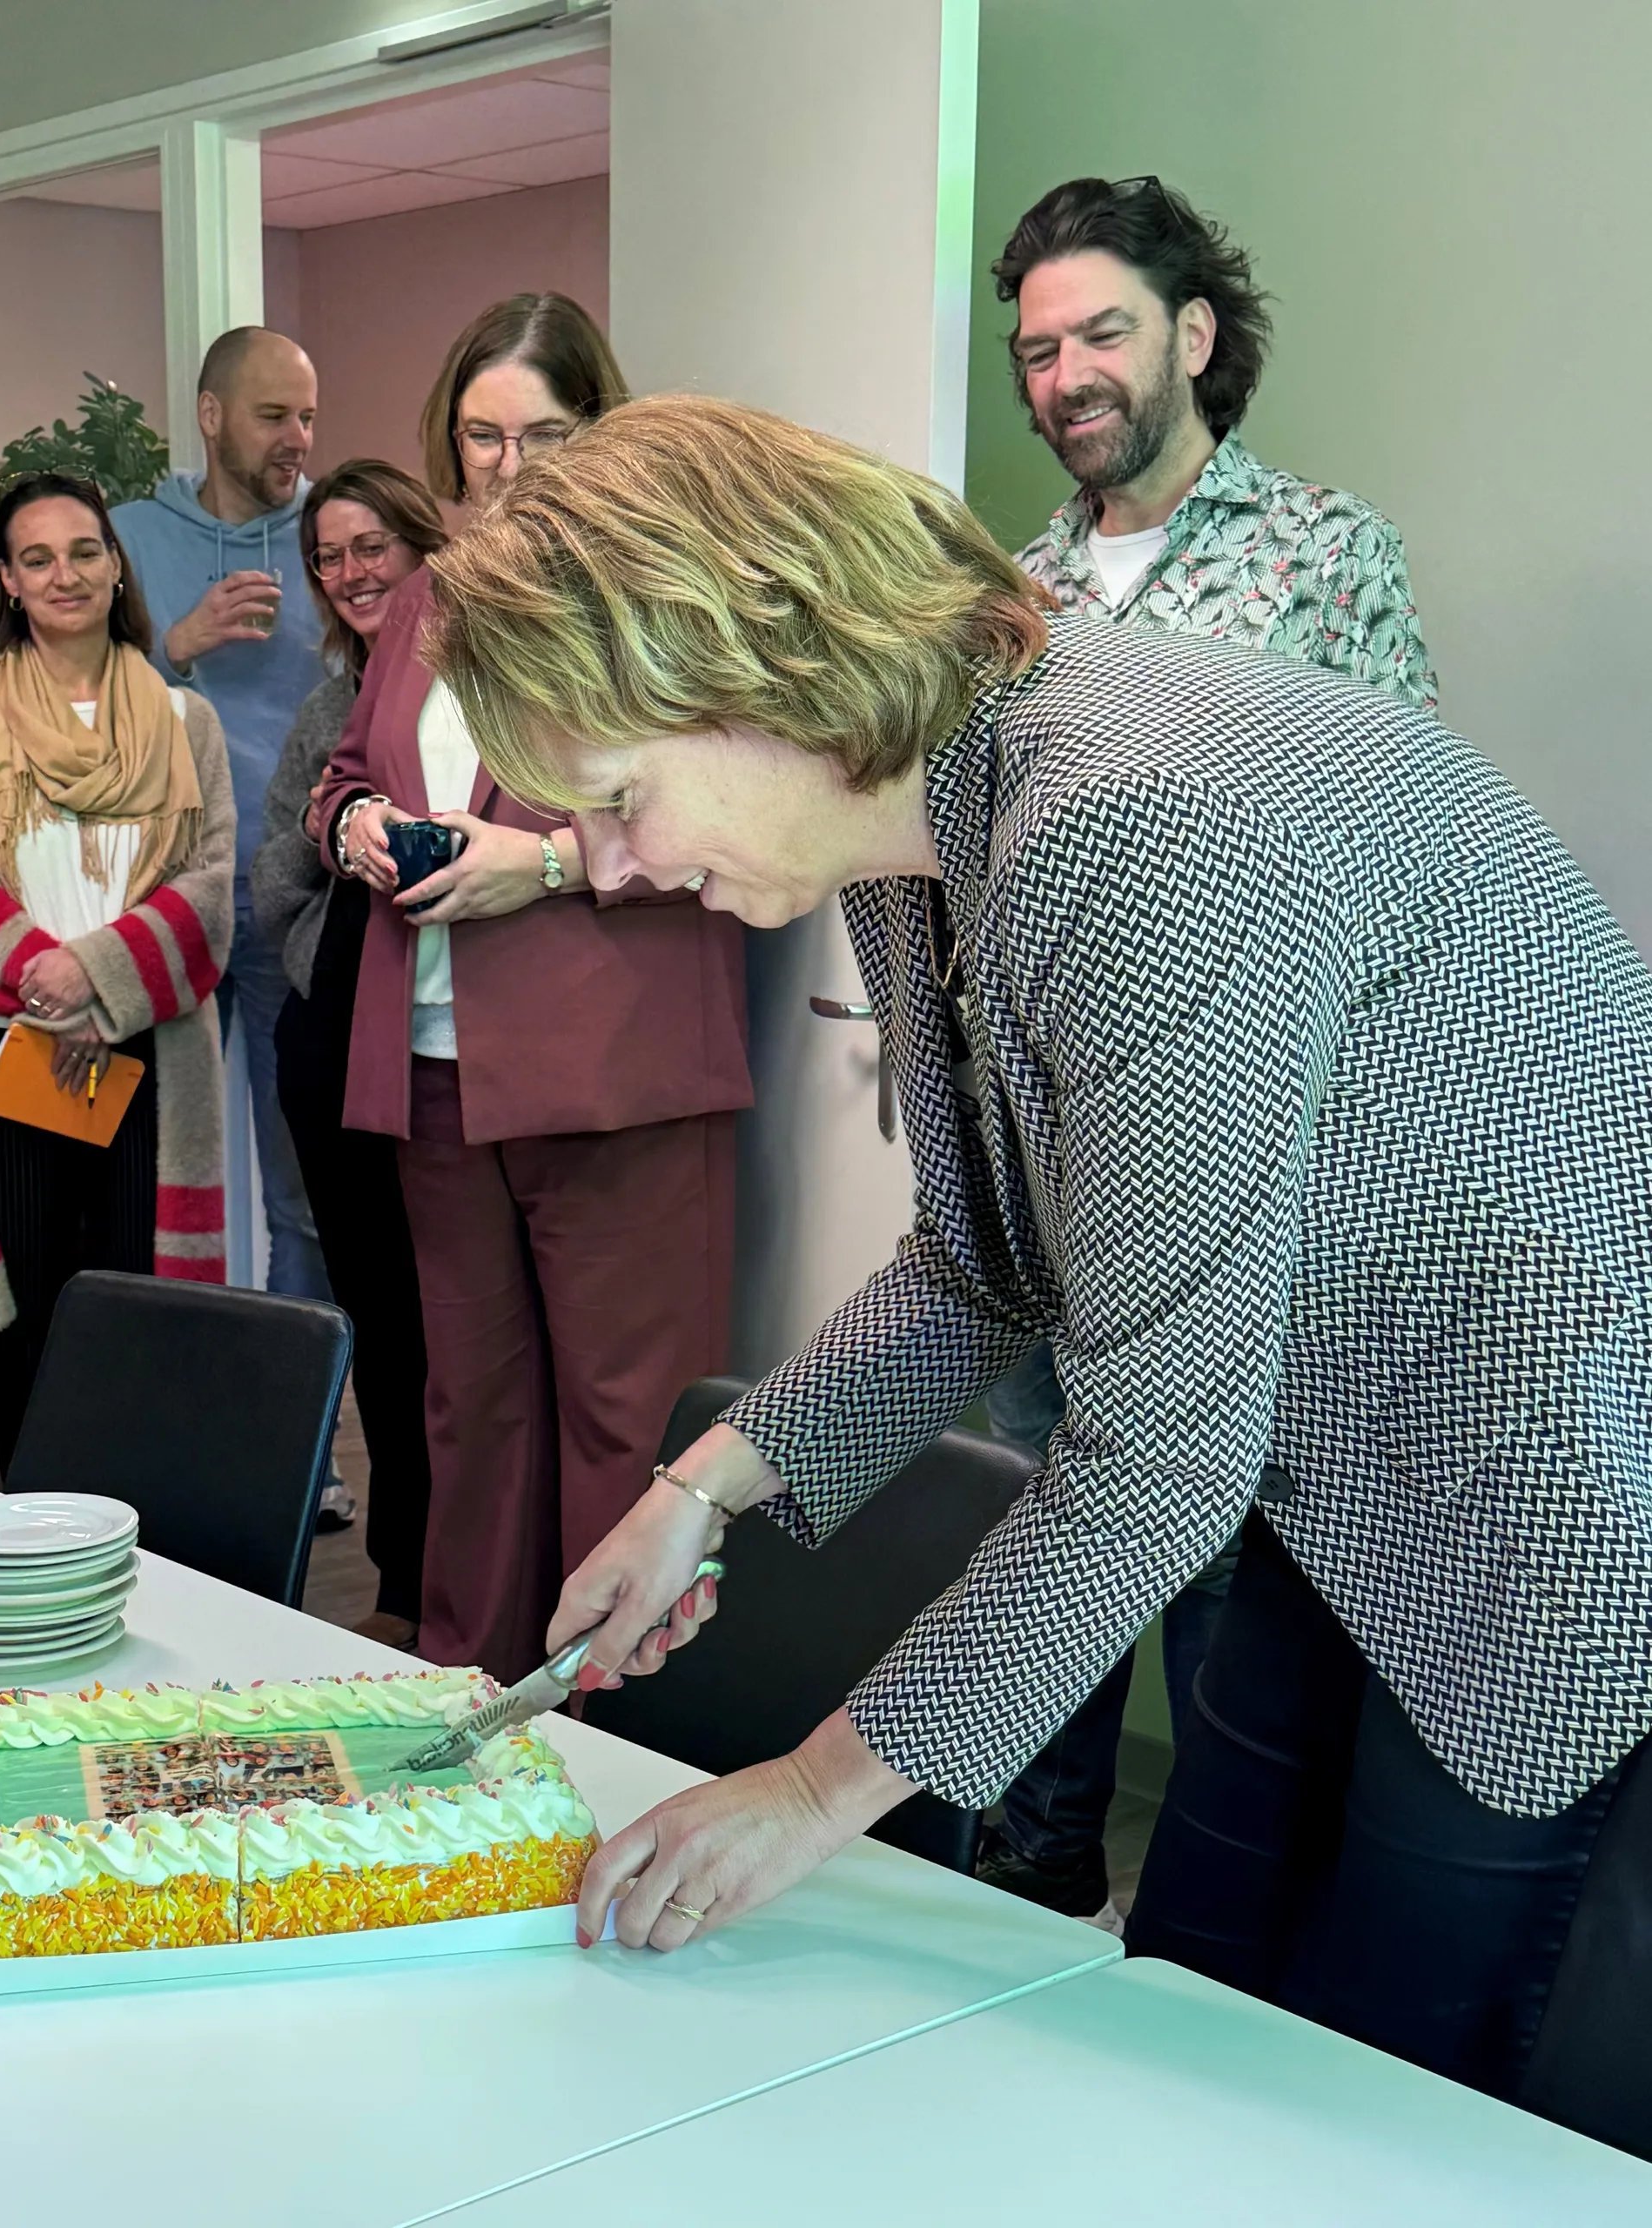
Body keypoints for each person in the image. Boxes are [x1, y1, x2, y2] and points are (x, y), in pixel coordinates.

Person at [424, 394, 1652, 2144]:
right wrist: (701, 1490)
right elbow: (988, 1258)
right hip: (1351, 1461)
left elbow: (1155, 1462)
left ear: (763, 663)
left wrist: (805, 1790)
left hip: (1556, 1478)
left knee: (1383, 2090)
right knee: (1191, 1988)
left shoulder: (1131, 814)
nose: (614, 867)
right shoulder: (911, 815)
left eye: (618, 802)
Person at [973, 174, 1441, 1919]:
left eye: (1099, 331)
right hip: (1064, 1161)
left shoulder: (1325, 556)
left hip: (1262, 1159)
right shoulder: (1004, 599)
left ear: (1188, 335)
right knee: (1049, 1527)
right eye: (1036, 349)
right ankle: (1020, 1890)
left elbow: (1387, 841)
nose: (1067, 372)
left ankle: (1209, 1938)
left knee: (1222, 1559)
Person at [317, 296, 751, 1684]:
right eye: (482, 436)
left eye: (544, 434)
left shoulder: (673, 588)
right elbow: (346, 773)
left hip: (612, 1073)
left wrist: (552, 859)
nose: (509, 466)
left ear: (603, 431)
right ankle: (471, 1699)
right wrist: (355, 829)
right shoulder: (430, 597)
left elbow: (741, 809)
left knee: (626, 1432)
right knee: (471, 1414)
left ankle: (614, 1730)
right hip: (438, 1069)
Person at [0, 473, 234, 1467]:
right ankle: (34, 1534)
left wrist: (100, 985)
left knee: (140, 1307)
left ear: (114, 561)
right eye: (35, 557)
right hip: (10, 1047)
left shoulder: (183, 719)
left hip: (149, 1051)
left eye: (83, 550)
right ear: (5, 578)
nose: (63, 574)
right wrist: (54, 983)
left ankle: (147, 1545)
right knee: (31, 1314)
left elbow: (210, 888)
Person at [112, 326, 353, 1527]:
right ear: (209, 417)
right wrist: (177, 643)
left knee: (302, 1194)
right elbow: (64, 683)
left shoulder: (331, 540)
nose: (296, 440)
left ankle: (299, 1451)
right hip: (164, 901)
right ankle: (162, 1433)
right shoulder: (130, 537)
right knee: (158, 1177)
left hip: (294, 901)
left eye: (306, 416)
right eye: (272, 416)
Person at [252, 461, 447, 1648]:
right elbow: (273, 876)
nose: (352, 572)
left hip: (433, 1043)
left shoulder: (470, 687)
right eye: (329, 555)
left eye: (374, 544)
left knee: (452, 1338)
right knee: (382, 1324)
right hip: (328, 1039)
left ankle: (460, 1583)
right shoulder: (333, 708)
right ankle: (402, 1578)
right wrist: (354, 845)